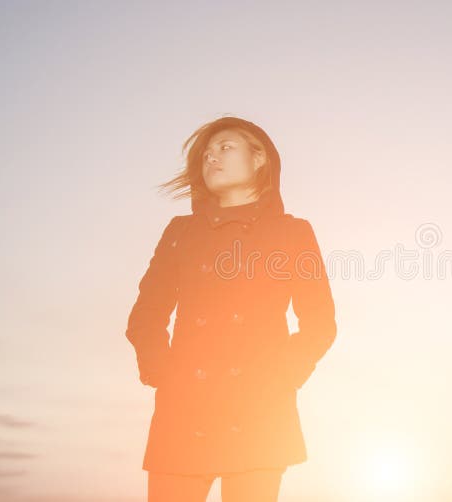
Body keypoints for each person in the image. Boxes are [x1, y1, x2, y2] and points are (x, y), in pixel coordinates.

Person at [125, 116, 338, 501]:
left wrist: (281, 377)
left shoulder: (293, 233)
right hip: (185, 407)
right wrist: (162, 371)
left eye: (225, 148)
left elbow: (320, 322)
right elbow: (146, 314)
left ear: (259, 159)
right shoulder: (180, 233)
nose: (212, 159)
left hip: (259, 411)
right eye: (206, 154)